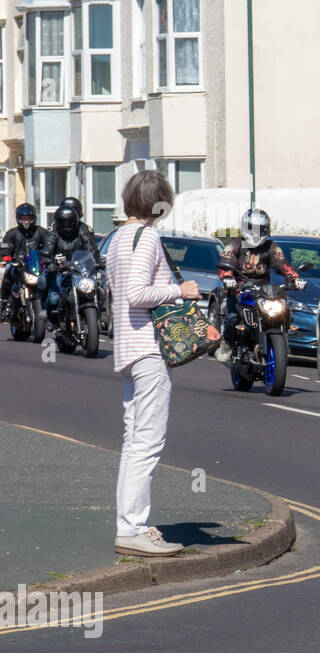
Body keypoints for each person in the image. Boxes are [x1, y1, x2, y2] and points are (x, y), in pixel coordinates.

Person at [106, 170, 202, 557]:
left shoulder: (117, 238)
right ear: (161, 204)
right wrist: (180, 290)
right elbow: (136, 294)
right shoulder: (146, 237)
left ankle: (130, 525)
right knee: (147, 442)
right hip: (148, 349)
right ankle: (132, 530)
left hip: (127, 350)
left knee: (134, 442)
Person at [214, 208, 305, 364]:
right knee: (232, 318)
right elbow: (226, 262)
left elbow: (282, 262)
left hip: (264, 292)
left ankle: (283, 340)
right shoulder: (234, 244)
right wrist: (228, 278)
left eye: (260, 229)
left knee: (284, 310)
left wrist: (294, 278)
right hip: (239, 290)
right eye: (252, 229)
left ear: (266, 230)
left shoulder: (271, 246)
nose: (256, 233)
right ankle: (226, 345)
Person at [42, 204, 100, 336]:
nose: (67, 225)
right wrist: (50, 263)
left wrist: (97, 262)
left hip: (79, 267)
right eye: (63, 222)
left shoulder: (82, 229)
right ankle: (51, 319)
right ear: (58, 222)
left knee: (94, 288)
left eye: (70, 222)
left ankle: (94, 317)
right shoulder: (54, 232)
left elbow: (91, 246)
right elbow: (47, 249)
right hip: (61, 269)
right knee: (54, 298)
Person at [0, 203, 51, 321]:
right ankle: (4, 303)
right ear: (18, 218)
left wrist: (49, 256)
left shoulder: (41, 232)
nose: (26, 221)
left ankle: (49, 306)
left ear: (34, 218)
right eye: (24, 218)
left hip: (36, 265)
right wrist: (6, 256)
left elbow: (49, 245)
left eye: (28, 218)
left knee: (49, 277)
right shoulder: (12, 233)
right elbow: (6, 247)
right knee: (8, 273)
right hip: (18, 264)